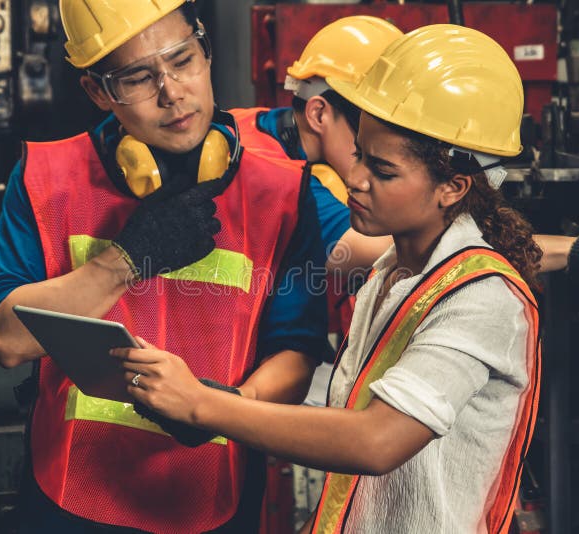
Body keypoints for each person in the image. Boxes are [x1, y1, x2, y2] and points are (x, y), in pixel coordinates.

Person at [114, 24, 544, 533]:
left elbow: (375, 440)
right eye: (359, 153)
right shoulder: (393, 274)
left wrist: (203, 405)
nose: (355, 179)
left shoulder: (480, 299)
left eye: (382, 172)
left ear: (452, 186)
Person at [0, 0, 328, 531]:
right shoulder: (46, 179)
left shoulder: (281, 192)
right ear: (99, 92)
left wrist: (225, 406)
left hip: (210, 498)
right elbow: (6, 339)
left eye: (183, 60)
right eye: (138, 77)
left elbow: (296, 352)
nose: (172, 92)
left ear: (205, 53)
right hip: (70, 498)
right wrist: (122, 261)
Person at [232, 16, 579, 289]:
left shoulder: (255, 127)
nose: (361, 172)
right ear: (318, 112)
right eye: (372, 130)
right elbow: (413, 246)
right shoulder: (272, 175)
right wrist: (574, 250)